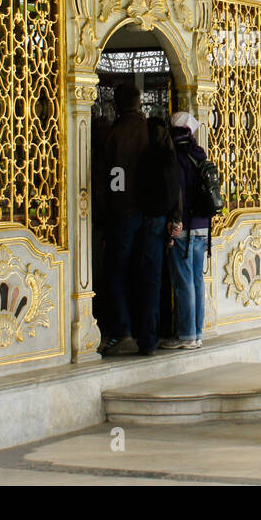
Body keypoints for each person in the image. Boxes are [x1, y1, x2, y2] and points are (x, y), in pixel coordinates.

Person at [100, 84, 153, 356]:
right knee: (142, 273)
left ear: (116, 104)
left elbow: (116, 175)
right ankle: (146, 334)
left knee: (116, 272)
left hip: (125, 213)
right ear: (140, 103)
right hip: (150, 215)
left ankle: (122, 332)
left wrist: (114, 206)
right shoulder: (150, 129)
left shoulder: (119, 133)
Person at [130, 117, 183, 355]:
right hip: (165, 222)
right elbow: (176, 194)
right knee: (159, 279)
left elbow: (136, 190)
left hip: (149, 221)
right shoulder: (172, 160)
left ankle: (147, 339)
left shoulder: (147, 159)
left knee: (147, 280)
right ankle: (161, 330)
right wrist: (175, 221)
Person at [161, 112, 209, 351]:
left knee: (183, 282)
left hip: (184, 226)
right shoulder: (199, 154)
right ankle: (198, 333)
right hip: (202, 226)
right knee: (197, 280)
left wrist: (175, 222)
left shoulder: (175, 156)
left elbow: (176, 192)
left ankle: (186, 334)